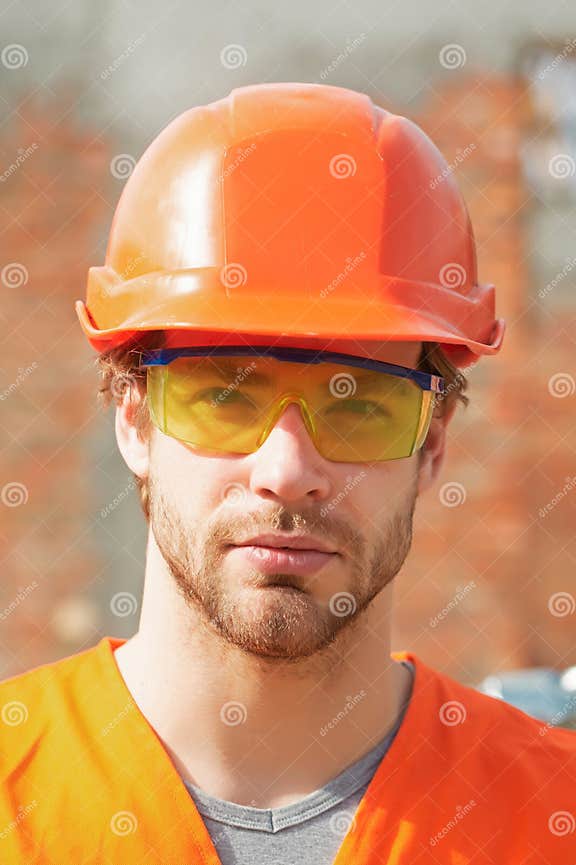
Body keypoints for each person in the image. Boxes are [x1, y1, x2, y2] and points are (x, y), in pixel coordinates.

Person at [1, 82, 574, 865]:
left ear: (434, 440)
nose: (289, 470)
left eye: (360, 405)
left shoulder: (552, 815)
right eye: (224, 397)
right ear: (134, 417)